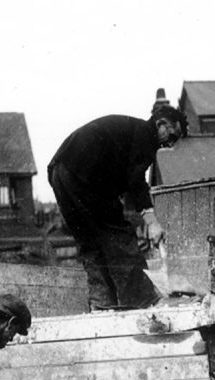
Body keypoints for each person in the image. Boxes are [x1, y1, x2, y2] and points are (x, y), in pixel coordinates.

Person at [48, 103, 187, 310]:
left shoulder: (129, 132)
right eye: (172, 135)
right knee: (120, 237)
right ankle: (144, 303)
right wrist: (151, 219)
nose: (170, 144)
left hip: (61, 173)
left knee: (90, 244)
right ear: (160, 124)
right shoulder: (145, 135)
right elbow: (136, 180)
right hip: (84, 175)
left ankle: (102, 305)